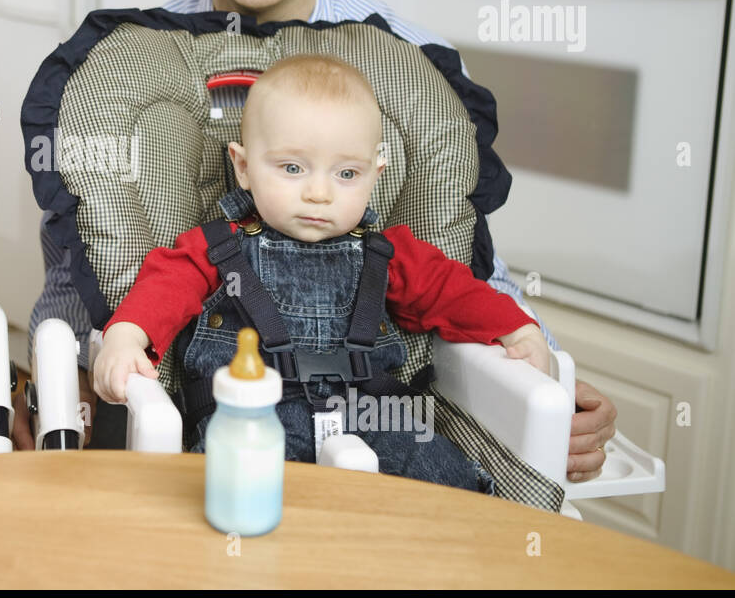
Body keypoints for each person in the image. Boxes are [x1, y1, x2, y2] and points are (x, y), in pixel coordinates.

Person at [22, 0, 617, 483]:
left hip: (376, 406)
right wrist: (54, 381)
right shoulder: (137, 64)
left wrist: (547, 378)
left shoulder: (405, 66)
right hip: (227, 408)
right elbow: (83, 248)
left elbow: (462, 257)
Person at [94, 55, 553, 492]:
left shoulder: (387, 254)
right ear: (244, 167)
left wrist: (515, 327)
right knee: (228, 484)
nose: (319, 193)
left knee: (447, 480)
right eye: (292, 168)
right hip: (252, 417)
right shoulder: (218, 249)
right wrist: (128, 337)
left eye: (347, 174)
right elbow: (165, 285)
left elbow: (453, 293)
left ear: (376, 174)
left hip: (375, 414)